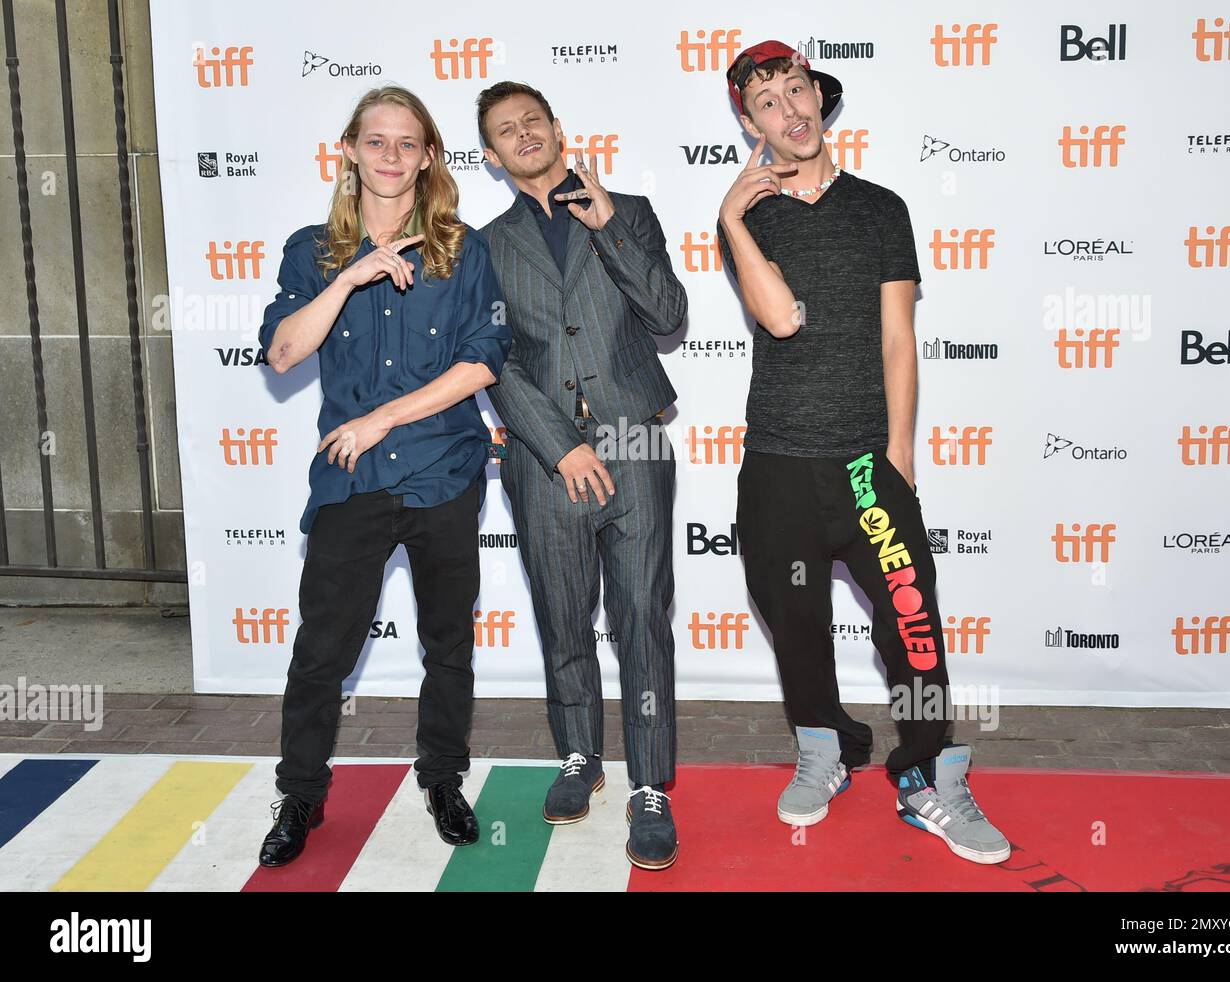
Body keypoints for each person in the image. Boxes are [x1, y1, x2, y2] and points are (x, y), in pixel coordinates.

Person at [716, 41, 1010, 864]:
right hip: (778, 466)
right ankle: (824, 747)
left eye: (798, 89)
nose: (791, 110)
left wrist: (899, 455)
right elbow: (780, 318)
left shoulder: (882, 207)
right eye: (768, 102)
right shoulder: (743, 213)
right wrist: (735, 216)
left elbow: (897, 338)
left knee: (912, 625)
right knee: (797, 624)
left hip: (864, 465)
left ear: (820, 95)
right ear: (750, 123)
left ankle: (928, 777)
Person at [254, 85, 510, 866]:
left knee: (448, 643)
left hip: (444, 470)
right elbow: (284, 353)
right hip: (351, 482)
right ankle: (300, 794)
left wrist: (383, 419)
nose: (391, 156)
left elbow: (482, 363)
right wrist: (349, 279)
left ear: (430, 156)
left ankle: (441, 779)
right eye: (376, 141)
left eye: (408, 143)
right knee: (321, 650)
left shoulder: (465, 249)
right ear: (349, 152)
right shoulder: (312, 251)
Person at [475, 80, 687, 870]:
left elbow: (668, 316)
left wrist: (609, 232)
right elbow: (494, 359)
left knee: (640, 614)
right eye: (506, 130)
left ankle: (651, 786)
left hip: (635, 442)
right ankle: (578, 756)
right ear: (492, 156)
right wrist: (560, 445)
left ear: (559, 129)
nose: (524, 134)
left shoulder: (626, 209)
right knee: (562, 614)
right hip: (544, 457)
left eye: (534, 120)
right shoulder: (487, 246)